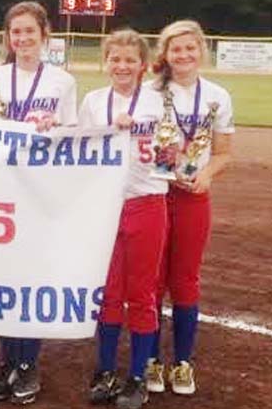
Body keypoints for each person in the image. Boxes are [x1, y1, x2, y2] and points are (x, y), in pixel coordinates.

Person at [0, 1, 77, 405]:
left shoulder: (61, 81)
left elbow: (72, 133)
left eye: (30, 31)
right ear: (8, 38)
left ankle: (28, 364)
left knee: (29, 278)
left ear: (44, 36)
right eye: (16, 32)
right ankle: (8, 361)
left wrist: (56, 127)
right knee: (2, 277)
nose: (23, 39)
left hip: (38, 190)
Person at [145, 20, 233, 397]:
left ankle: (182, 362)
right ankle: (149, 359)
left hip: (193, 196)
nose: (183, 55)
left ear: (201, 51)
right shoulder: (150, 92)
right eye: (175, 49)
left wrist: (207, 175)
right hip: (153, 193)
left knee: (185, 280)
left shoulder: (217, 95)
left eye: (190, 48)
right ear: (165, 54)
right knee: (151, 282)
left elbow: (224, 152)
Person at [80, 29, 166, 409]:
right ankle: (105, 370)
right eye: (115, 58)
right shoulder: (94, 101)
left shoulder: (158, 101)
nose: (122, 65)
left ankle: (138, 376)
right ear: (106, 62)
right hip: (105, 205)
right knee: (110, 292)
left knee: (142, 294)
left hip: (147, 200)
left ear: (142, 65)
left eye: (130, 59)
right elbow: (79, 149)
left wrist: (169, 150)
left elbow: (171, 153)